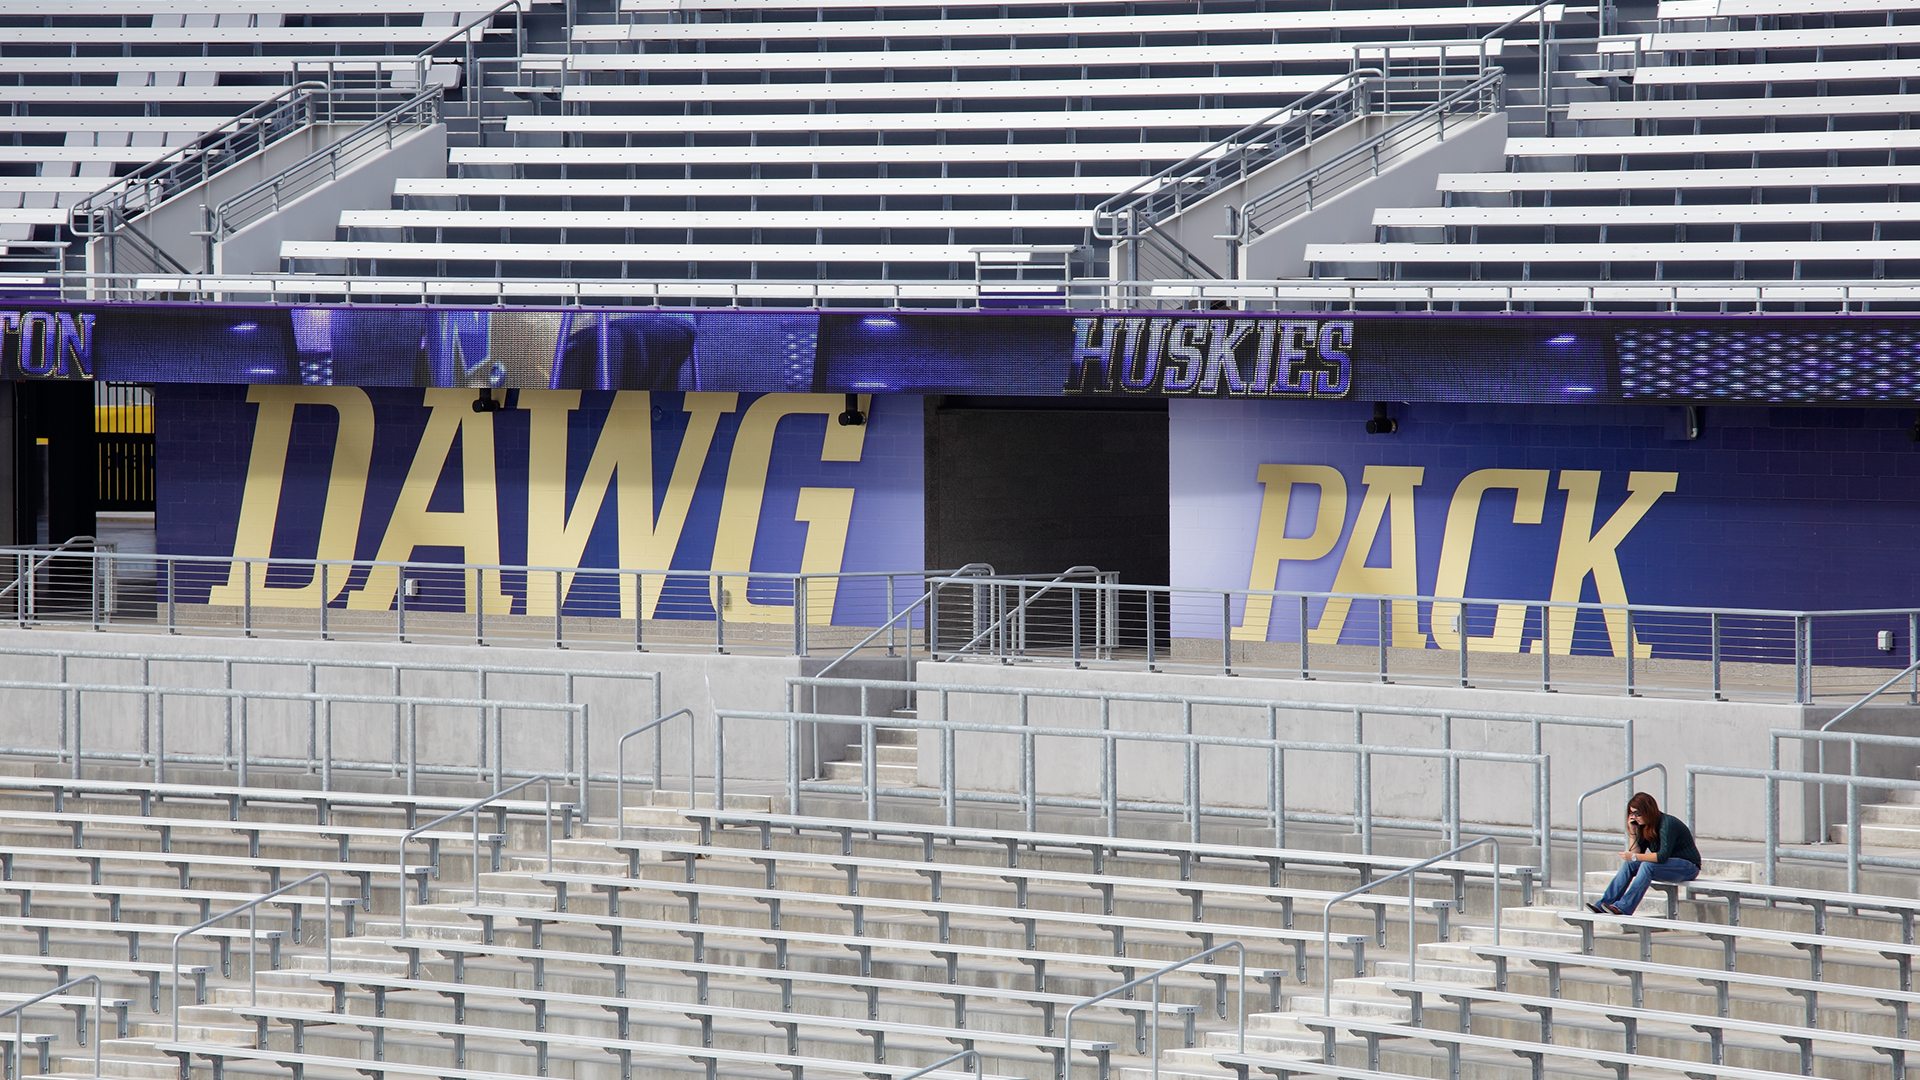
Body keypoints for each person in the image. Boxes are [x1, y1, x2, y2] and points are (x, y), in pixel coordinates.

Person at [1589, 792, 1701, 915]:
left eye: (1637, 813)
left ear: (1648, 811)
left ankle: (1623, 907)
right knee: (1629, 865)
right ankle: (1603, 904)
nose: (1634, 817)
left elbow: (1661, 856)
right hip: (1666, 866)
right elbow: (1637, 853)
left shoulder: (1667, 824)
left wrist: (1633, 856)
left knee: (1647, 866)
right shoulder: (1644, 826)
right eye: (1631, 813)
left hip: (1688, 867)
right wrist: (1632, 832)